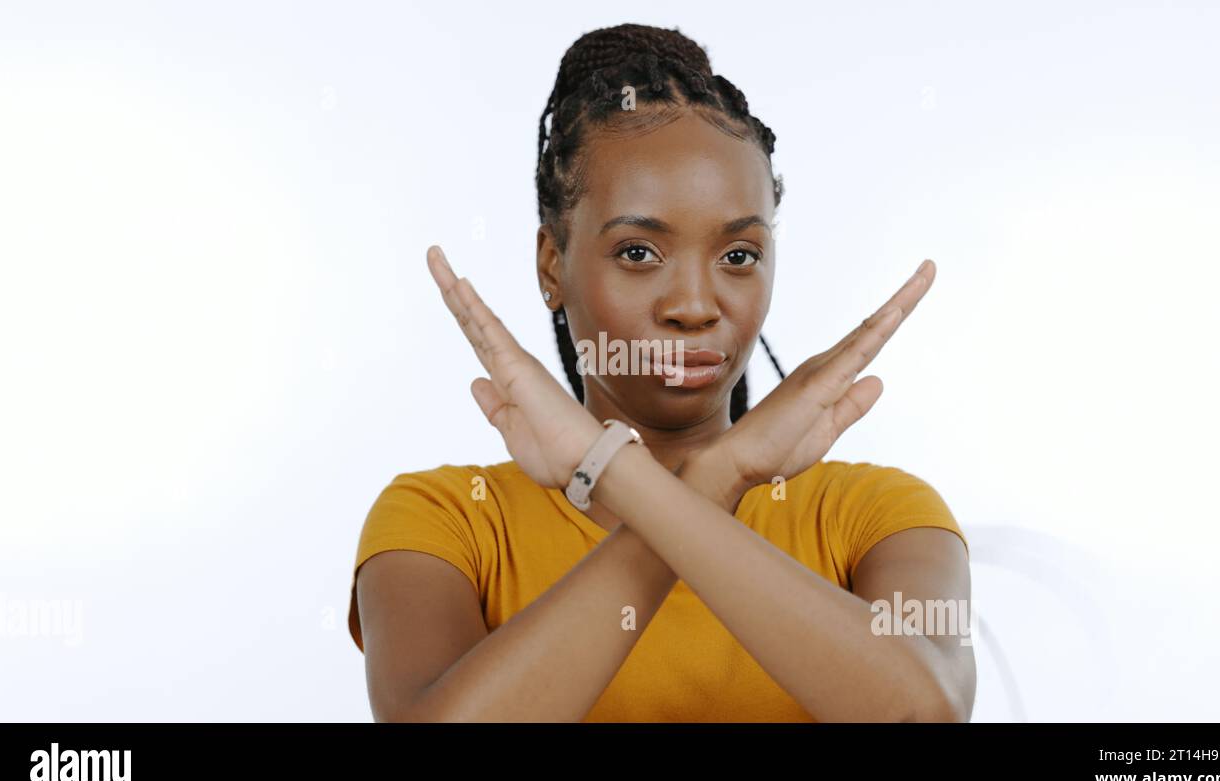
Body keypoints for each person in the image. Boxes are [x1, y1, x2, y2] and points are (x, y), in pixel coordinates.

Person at [347, 22, 974, 722]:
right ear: (552, 265)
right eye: (640, 252)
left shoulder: (876, 513)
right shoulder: (446, 520)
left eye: (738, 255)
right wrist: (704, 483)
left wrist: (629, 472)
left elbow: (926, 708)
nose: (695, 306)